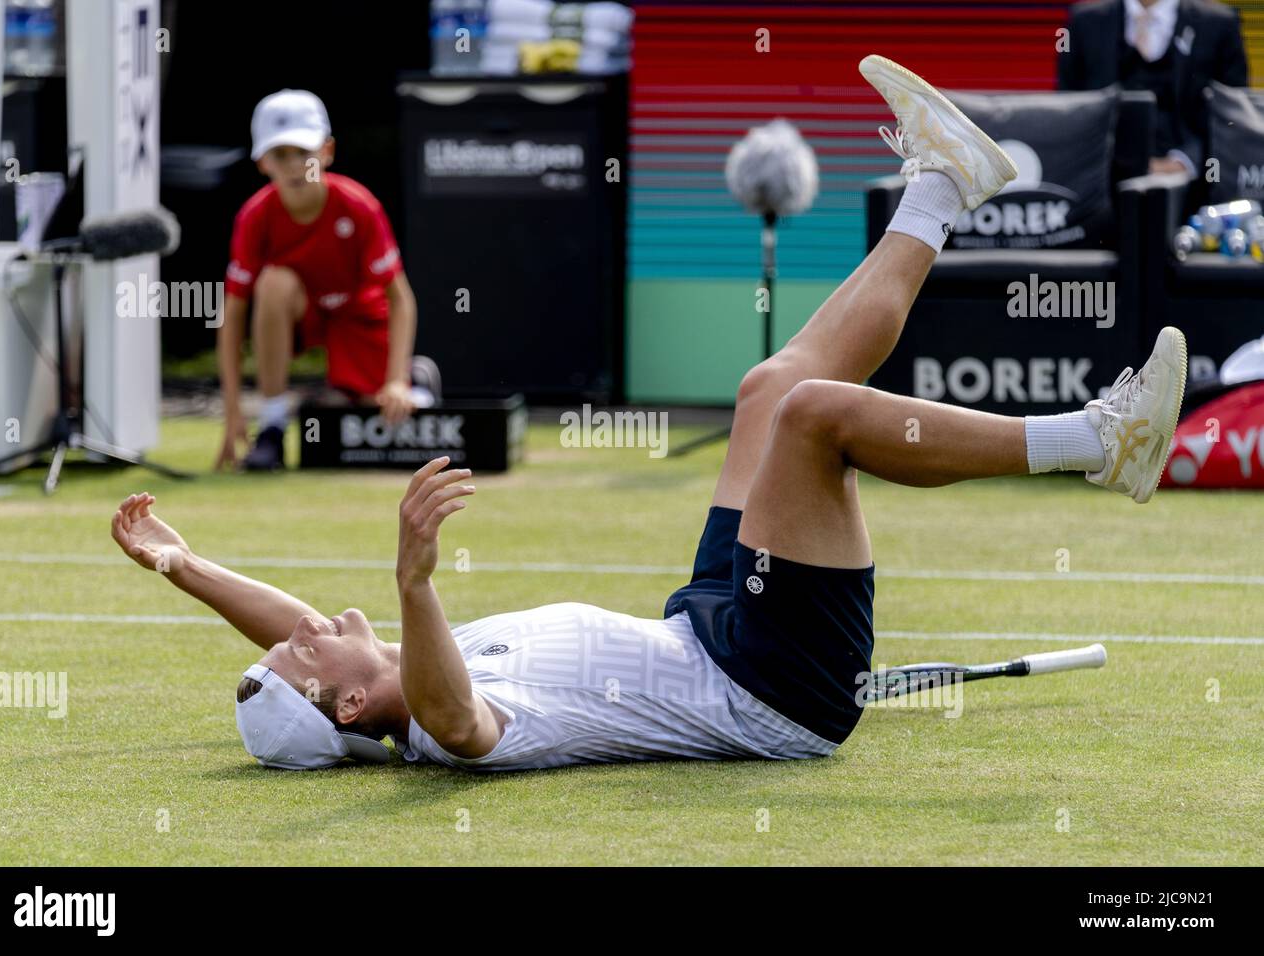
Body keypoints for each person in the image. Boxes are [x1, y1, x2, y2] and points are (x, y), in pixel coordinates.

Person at [111, 56, 1187, 772]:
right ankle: (1094, 443)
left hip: (707, 621)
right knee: (815, 417)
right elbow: (454, 721)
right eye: (309, 652)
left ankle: (942, 186)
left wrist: (179, 561)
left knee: (768, 393)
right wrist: (412, 577)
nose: (311, 624)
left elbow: (291, 637)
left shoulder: (377, 676)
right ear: (347, 710)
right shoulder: (434, 721)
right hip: (770, 686)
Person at [216, 89, 420, 472]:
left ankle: (412, 376)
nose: (294, 166)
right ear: (262, 162)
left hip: (357, 314)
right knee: (273, 284)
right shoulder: (255, 216)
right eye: (280, 155)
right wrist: (232, 411)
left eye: (303, 154)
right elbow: (232, 316)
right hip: (300, 315)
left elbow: (401, 299)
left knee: (373, 410)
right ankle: (273, 425)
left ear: (326, 151)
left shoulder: (360, 206)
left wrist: (396, 380)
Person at [1057, 0, 1248, 176]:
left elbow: (1233, 116)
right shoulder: (1084, 21)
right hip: (1102, 185)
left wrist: (1186, 161)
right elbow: (1069, 109)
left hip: (1194, 186)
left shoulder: (1220, 23)